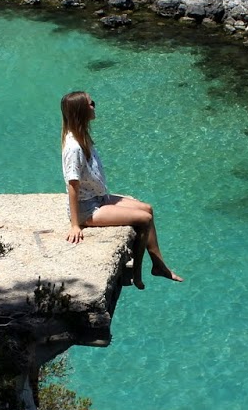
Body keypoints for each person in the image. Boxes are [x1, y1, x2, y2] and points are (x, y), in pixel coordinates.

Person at [61, 91, 181, 287]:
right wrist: (75, 224)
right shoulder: (74, 147)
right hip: (88, 209)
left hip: (99, 198)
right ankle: (137, 272)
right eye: (91, 104)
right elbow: (72, 185)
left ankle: (158, 265)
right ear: (82, 110)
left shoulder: (82, 136)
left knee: (148, 208)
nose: (94, 106)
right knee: (145, 219)